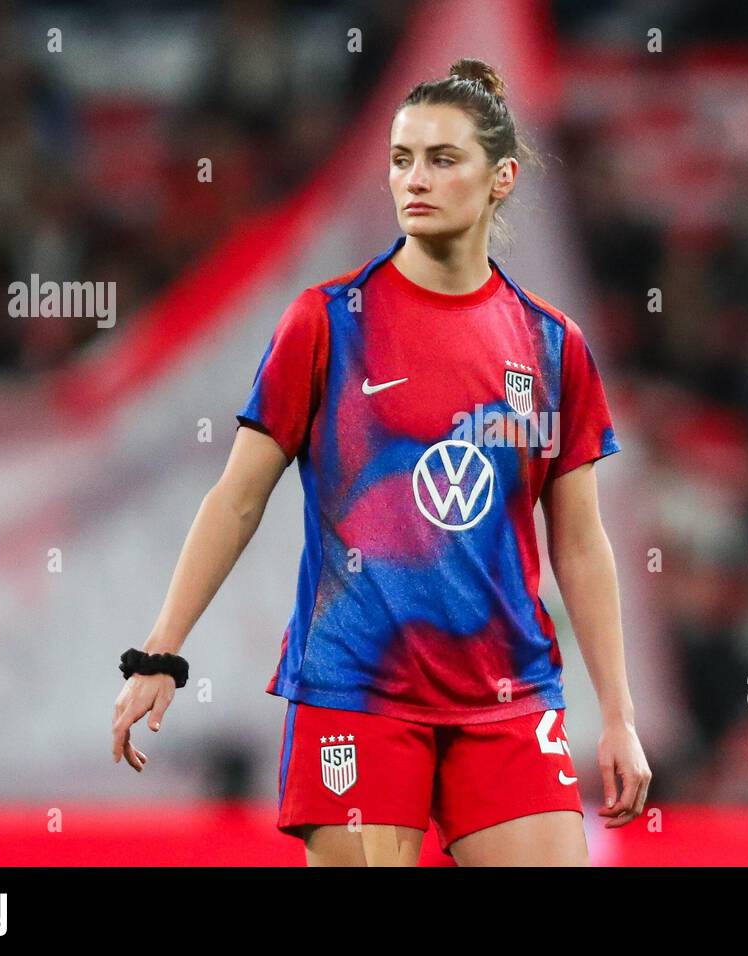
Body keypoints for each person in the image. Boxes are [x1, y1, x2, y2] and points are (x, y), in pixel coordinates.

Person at [112, 58, 649, 866]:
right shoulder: (326, 322)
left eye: (442, 158)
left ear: (501, 178)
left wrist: (618, 715)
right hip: (359, 694)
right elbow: (237, 500)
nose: (415, 179)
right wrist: (161, 651)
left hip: (506, 701)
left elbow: (580, 544)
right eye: (402, 158)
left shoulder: (551, 346)